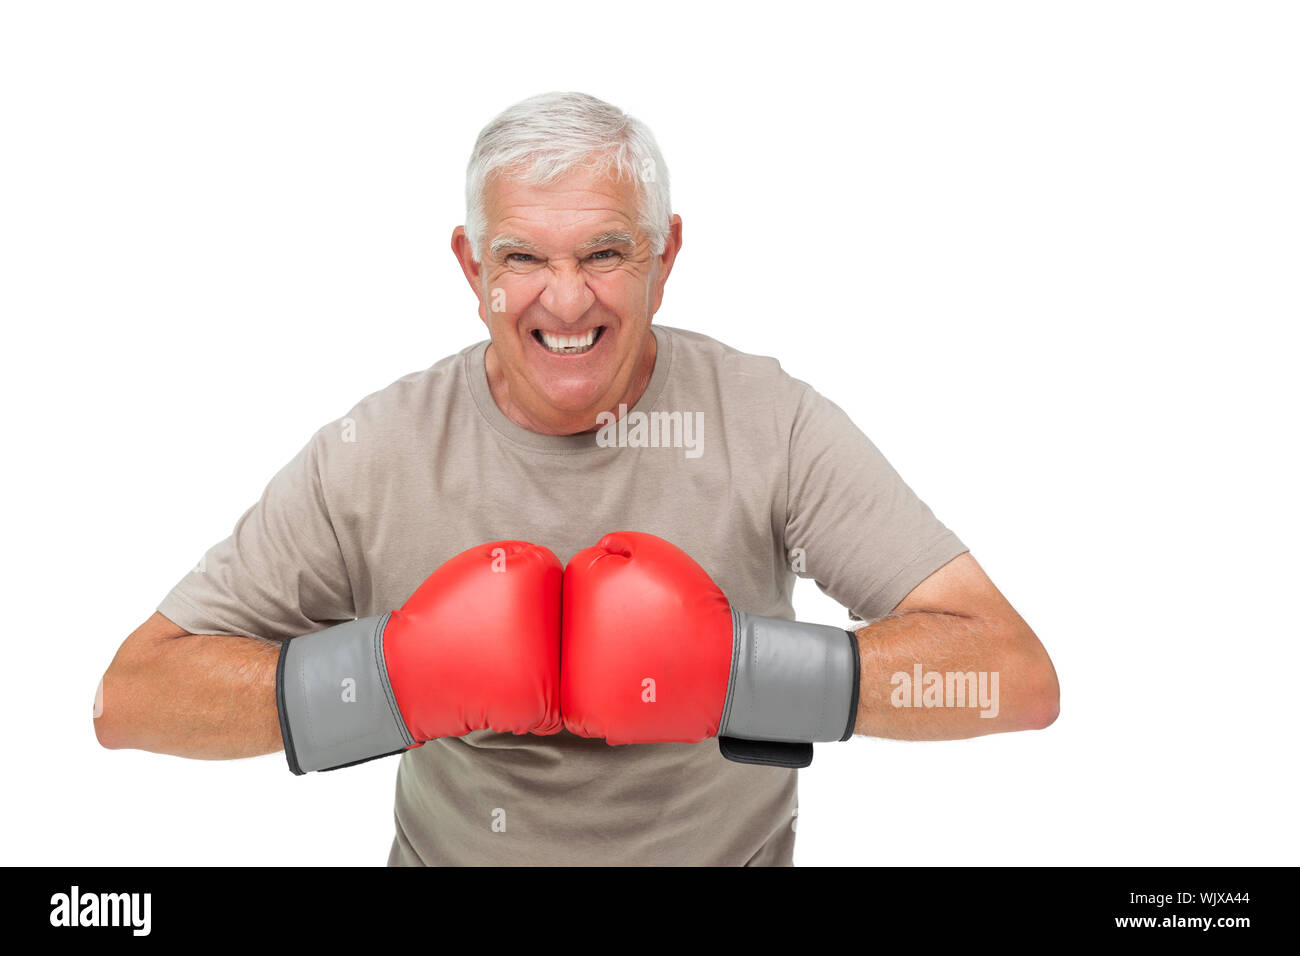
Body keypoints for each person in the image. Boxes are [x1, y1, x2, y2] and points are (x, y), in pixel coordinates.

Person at [94, 91, 1059, 866]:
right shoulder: (380, 451)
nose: (565, 299)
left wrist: (741, 675)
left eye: (605, 252)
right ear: (473, 267)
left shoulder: (769, 420)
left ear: (665, 255)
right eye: (523, 257)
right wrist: (392, 681)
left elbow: (1012, 677)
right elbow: (132, 697)